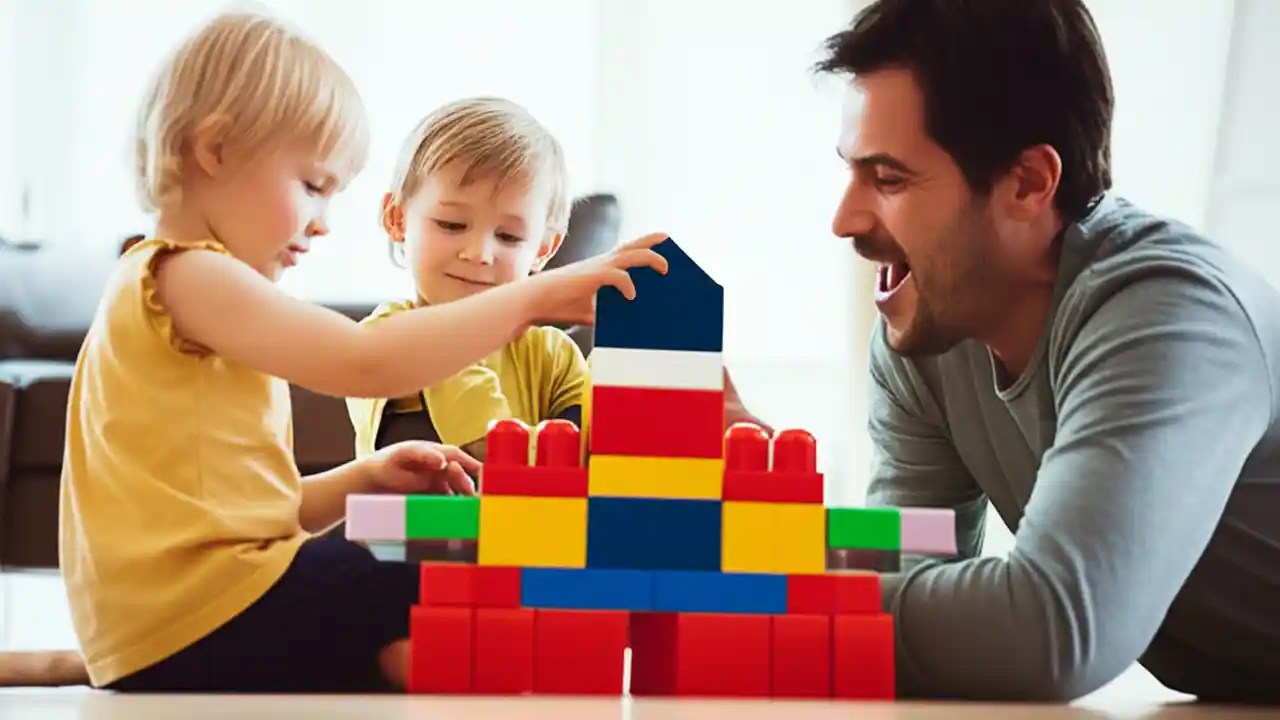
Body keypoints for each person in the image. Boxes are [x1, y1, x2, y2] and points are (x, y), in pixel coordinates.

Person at [8, 10, 668, 692]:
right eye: (313, 185)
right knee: (435, 576)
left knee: (395, 592)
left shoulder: (178, 292)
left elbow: (247, 511)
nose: (322, 222)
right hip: (209, 614)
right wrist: (534, 298)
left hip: (184, 622)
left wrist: (365, 479)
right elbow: (367, 359)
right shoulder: (187, 274)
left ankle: (414, 671)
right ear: (217, 149)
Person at [817, 0, 1280, 703]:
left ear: (1030, 182)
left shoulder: (1169, 313)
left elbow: (1053, 630)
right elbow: (910, 559)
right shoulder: (931, 334)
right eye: (852, 173)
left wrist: (764, 605)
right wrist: (761, 524)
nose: (844, 219)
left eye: (888, 179)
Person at [346, 97, 587, 468]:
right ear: (397, 219)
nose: (479, 253)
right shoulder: (388, 337)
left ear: (542, 249)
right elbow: (488, 444)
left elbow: (597, 456)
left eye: (508, 237)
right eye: (452, 225)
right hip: (411, 527)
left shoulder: (554, 356)